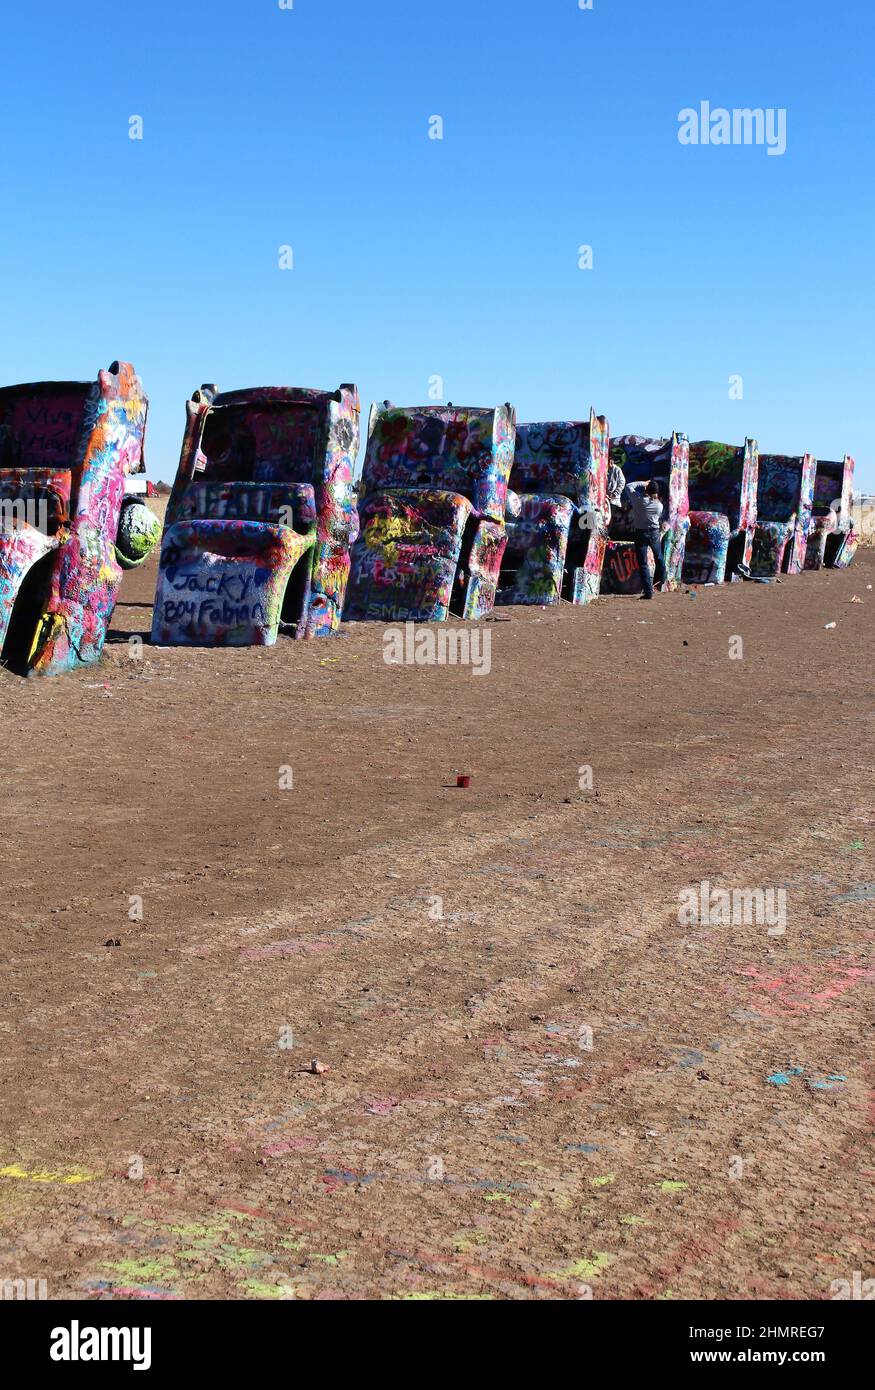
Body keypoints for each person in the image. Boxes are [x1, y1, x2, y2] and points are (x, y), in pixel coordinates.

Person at [625, 478, 667, 599]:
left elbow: (629, 486)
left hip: (641, 533)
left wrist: (643, 483)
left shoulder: (638, 500)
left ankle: (648, 592)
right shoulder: (659, 505)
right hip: (654, 533)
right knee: (658, 556)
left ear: (646, 490)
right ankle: (663, 577)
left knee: (643, 563)